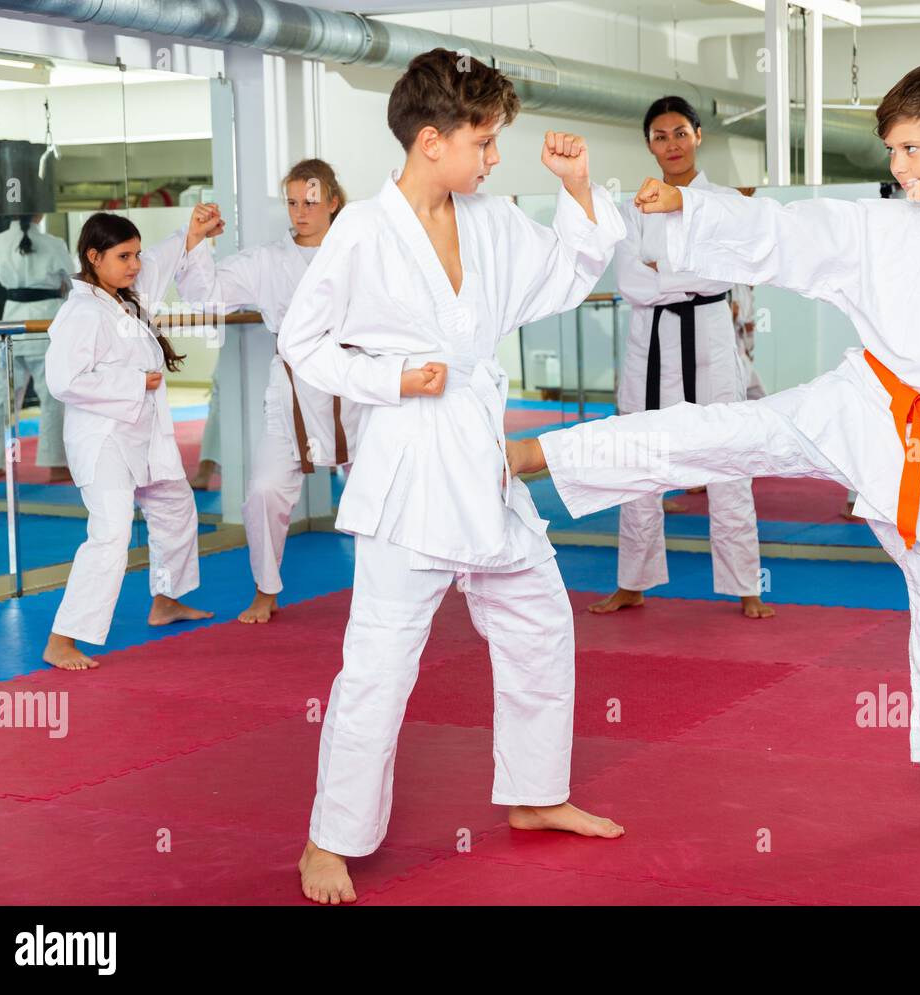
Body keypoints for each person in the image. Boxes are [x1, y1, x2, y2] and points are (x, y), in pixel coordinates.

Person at [509, 63, 920, 848]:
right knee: (721, 432)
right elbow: (784, 237)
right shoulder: (883, 225)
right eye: (891, 150)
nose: (898, 167)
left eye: (911, 149)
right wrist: (691, 205)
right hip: (863, 405)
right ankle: (541, 454)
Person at [277, 49, 626, 905]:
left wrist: (579, 192)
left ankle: (538, 794)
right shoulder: (362, 231)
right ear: (431, 140)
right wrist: (391, 379)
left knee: (542, 624)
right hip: (410, 474)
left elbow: (563, 277)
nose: (493, 155)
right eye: (483, 139)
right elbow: (302, 341)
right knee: (379, 667)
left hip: (485, 464)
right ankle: (330, 840)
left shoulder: (492, 216)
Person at [590, 96, 769, 619]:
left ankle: (747, 586)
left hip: (711, 340)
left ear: (697, 136)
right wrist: (679, 274)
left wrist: (661, 273)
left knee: (728, 459)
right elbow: (631, 284)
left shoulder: (721, 204)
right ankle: (633, 583)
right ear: (649, 144)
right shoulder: (632, 208)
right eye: (660, 136)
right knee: (638, 463)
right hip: (651, 345)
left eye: (680, 133)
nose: (671, 144)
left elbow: (721, 273)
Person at [175, 159, 361, 623]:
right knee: (263, 492)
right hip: (293, 388)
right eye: (293, 202)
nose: (300, 212)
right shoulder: (268, 261)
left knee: (380, 490)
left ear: (333, 202)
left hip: (359, 384)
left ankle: (392, 589)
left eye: (311, 201)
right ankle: (266, 588)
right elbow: (206, 295)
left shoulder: (362, 251)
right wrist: (199, 243)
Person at [41, 208, 221, 671]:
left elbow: (162, 259)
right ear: (93, 256)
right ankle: (62, 639)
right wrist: (134, 382)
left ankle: (167, 598)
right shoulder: (80, 311)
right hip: (104, 442)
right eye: (124, 256)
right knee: (111, 534)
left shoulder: (127, 296)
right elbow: (63, 380)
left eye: (136, 254)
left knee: (176, 507)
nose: (136, 264)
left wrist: (193, 232)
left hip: (143, 435)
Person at [0, 214, 74, 482]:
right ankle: (56, 464)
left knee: (2, 398)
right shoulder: (53, 243)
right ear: (41, 214)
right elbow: (72, 281)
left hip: (10, 319)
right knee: (52, 397)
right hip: (44, 323)